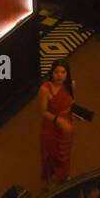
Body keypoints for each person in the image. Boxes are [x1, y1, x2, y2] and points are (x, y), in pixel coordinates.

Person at [38, 59, 76, 188]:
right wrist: (58, 120)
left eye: (63, 72)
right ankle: (50, 182)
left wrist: (77, 115)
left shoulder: (71, 85)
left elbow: (71, 104)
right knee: (51, 154)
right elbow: (43, 112)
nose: (59, 75)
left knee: (65, 153)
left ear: (67, 74)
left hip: (67, 125)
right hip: (52, 127)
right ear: (51, 73)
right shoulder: (44, 89)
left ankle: (63, 176)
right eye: (56, 72)